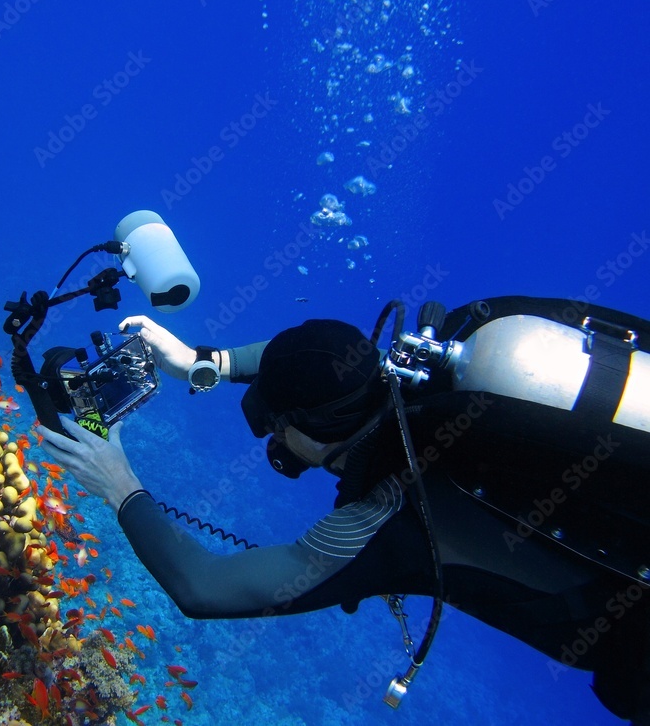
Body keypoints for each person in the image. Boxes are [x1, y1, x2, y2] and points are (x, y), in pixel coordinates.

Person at [37, 296, 650, 724]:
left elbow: (203, 588)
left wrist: (119, 484)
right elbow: (322, 358)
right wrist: (205, 361)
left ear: (310, 428)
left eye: (276, 426)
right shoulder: (431, 371)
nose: (274, 440)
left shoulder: (392, 513)